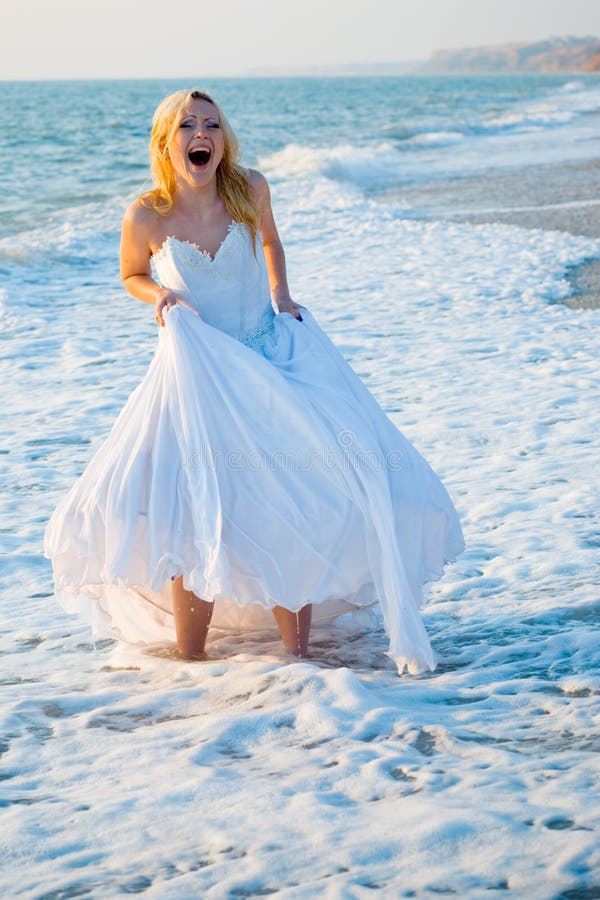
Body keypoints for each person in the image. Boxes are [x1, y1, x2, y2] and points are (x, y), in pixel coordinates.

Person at [43, 89, 465, 676]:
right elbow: (130, 272)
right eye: (189, 124)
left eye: (212, 124)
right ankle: (191, 665)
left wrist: (282, 294)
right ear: (168, 141)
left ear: (222, 139)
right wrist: (160, 296)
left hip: (265, 360)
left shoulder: (249, 189)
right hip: (198, 373)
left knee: (289, 497)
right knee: (193, 506)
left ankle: (299, 664)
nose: (203, 133)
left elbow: (271, 242)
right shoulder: (148, 213)